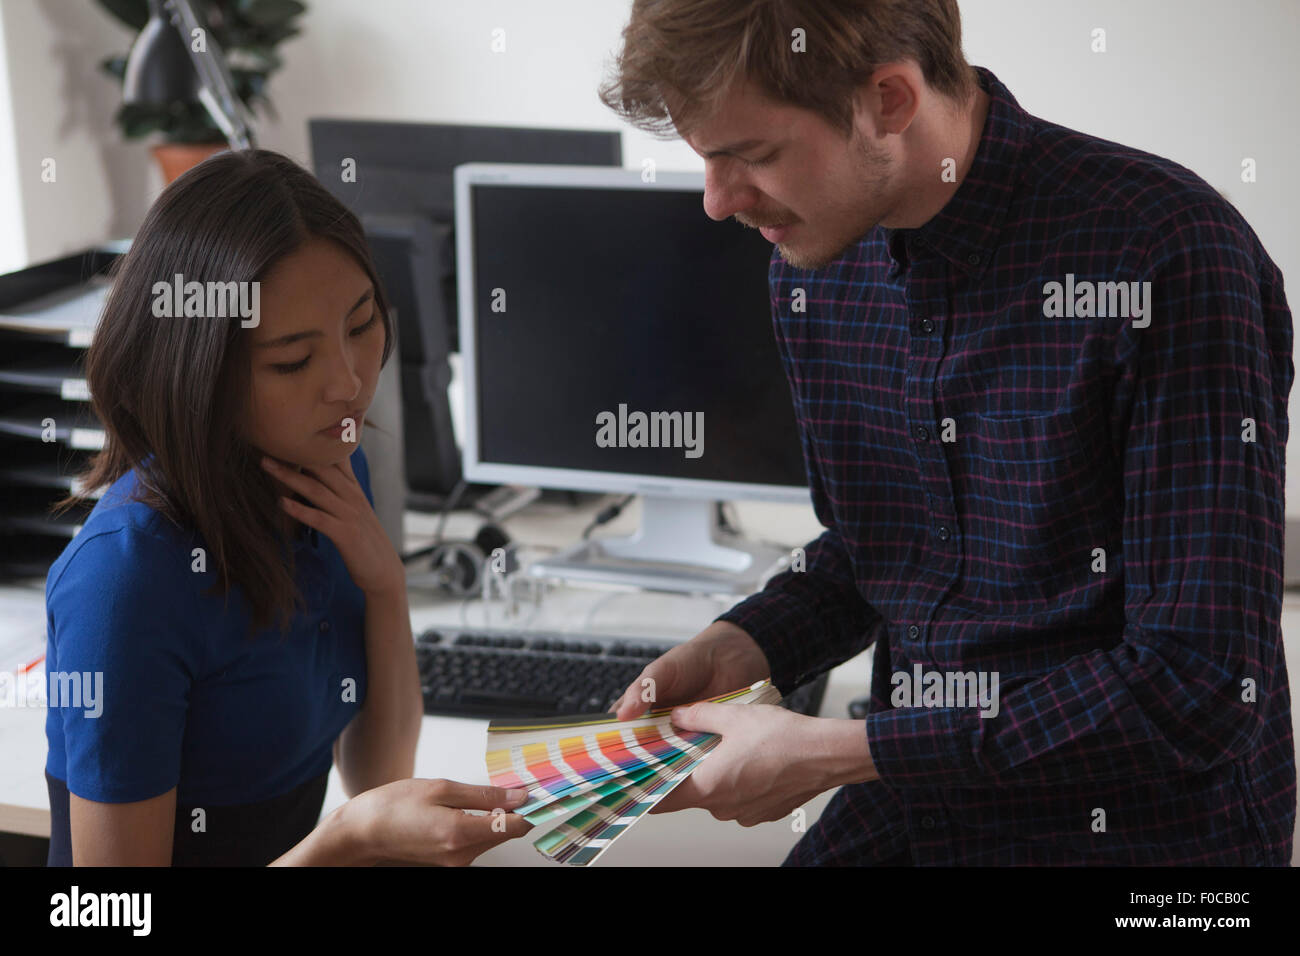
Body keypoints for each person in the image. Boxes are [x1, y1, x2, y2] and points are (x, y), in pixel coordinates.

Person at [602, 0, 1296, 865]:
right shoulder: (816, 268)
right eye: (705, 158)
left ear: (890, 99)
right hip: (924, 793)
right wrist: (745, 642)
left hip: (1150, 836)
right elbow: (879, 552)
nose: (717, 203)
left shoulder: (1166, 254)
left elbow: (1194, 687)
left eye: (751, 156)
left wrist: (837, 755)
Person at [44, 149, 531, 866]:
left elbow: (378, 778)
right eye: (293, 362)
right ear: (198, 376)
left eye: (362, 323)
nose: (348, 383)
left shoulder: (330, 471)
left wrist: (383, 582)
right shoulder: (126, 584)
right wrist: (345, 843)